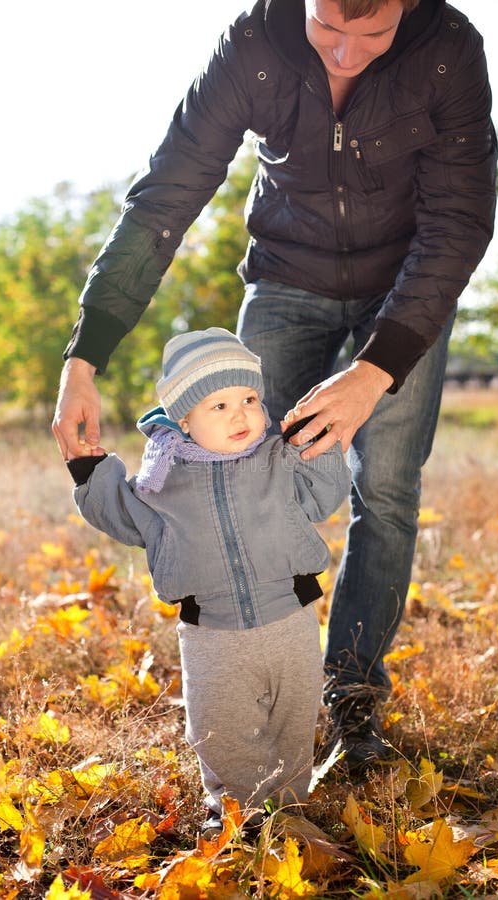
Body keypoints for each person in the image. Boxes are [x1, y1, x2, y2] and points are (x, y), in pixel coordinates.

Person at [53, 0, 497, 770]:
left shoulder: (448, 49)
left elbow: (459, 220)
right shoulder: (252, 43)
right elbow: (168, 192)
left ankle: (351, 691)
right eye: (328, 31)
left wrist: (376, 371)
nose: (347, 56)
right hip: (287, 279)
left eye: (373, 35)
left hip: (408, 293)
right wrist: (84, 355)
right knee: (229, 459)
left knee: (385, 490)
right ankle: (238, 680)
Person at [66, 328, 350, 836]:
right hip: (212, 635)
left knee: (293, 722)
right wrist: (89, 470)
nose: (240, 414)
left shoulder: (277, 458)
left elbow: (323, 495)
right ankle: (239, 817)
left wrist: (318, 443)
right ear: (183, 420)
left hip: (291, 621)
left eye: (248, 398)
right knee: (220, 731)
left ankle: (287, 814)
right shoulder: (163, 482)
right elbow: (122, 515)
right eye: (218, 406)